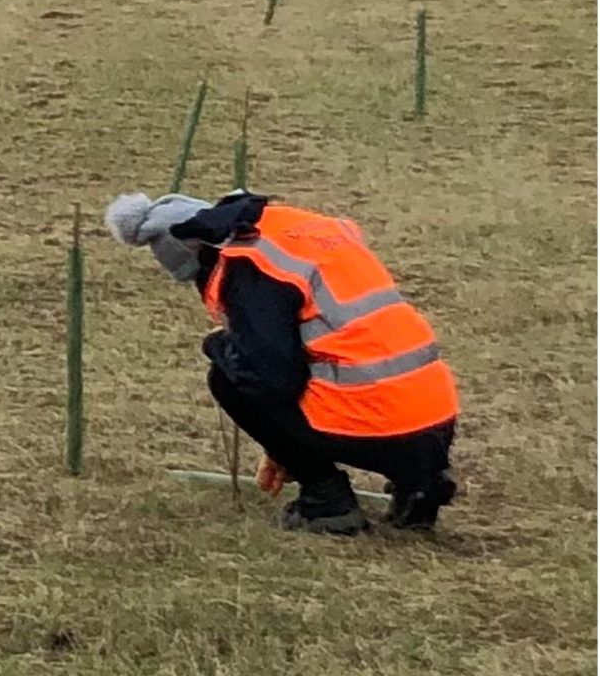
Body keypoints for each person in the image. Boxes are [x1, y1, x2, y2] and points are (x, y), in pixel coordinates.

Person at [105, 189, 460, 535]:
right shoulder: (297, 232)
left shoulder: (250, 267)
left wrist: (217, 346)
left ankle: (327, 501)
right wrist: (285, 446)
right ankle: (420, 483)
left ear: (200, 253)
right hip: (436, 417)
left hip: (372, 424)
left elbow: (270, 379)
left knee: (227, 378)